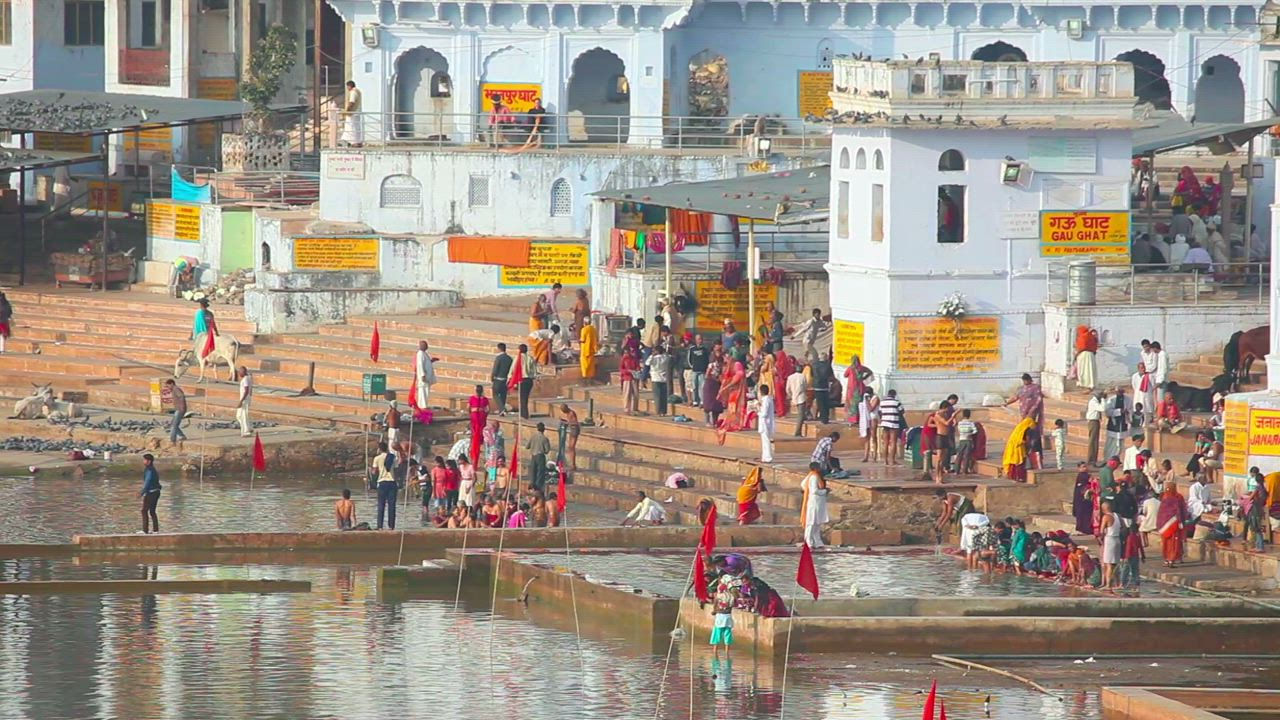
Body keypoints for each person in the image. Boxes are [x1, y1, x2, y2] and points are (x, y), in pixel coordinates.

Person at [715, 356, 748, 442]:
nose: (725, 361)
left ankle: (738, 424)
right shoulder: (729, 366)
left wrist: (726, 387)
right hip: (733, 390)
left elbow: (739, 375)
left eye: (726, 358)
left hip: (739, 390)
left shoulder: (737, 364)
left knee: (737, 407)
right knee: (732, 407)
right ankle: (733, 423)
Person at [1156, 481, 1187, 567]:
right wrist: (1181, 521)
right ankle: (1170, 559)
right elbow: (1180, 511)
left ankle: (1169, 559)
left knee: (1169, 543)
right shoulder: (1175, 499)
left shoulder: (1165, 498)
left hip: (1166, 526)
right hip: (1173, 525)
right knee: (1173, 543)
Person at [800, 461, 829, 548]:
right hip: (814, 502)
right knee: (811, 522)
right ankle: (808, 541)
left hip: (819, 502)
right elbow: (814, 491)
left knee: (817, 523)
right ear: (815, 468)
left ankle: (818, 542)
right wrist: (825, 491)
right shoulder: (813, 477)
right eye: (819, 467)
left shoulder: (814, 476)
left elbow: (803, 485)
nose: (820, 468)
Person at [371, 442, 398, 529]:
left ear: (379, 449)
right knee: (392, 506)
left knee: (381, 505)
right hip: (392, 482)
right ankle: (391, 526)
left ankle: (380, 526)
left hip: (382, 482)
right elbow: (397, 468)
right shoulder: (392, 457)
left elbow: (374, 472)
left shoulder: (377, 458)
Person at [1003, 416, 1036, 482]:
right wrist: (1028, 448)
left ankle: (1013, 476)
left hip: (1012, 447)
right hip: (1018, 448)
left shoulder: (1019, 428)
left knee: (1014, 461)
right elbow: (1026, 441)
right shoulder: (1026, 430)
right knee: (1020, 462)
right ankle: (1020, 477)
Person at [525, 422, 552, 492]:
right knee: (540, 472)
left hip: (533, 456)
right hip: (540, 456)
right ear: (544, 429)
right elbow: (547, 450)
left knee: (533, 471)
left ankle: (532, 485)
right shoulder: (544, 439)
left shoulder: (533, 437)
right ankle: (538, 487)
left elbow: (527, 446)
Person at [878, 389, 903, 466]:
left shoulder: (882, 402)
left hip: (885, 423)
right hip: (893, 423)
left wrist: (883, 418)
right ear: (894, 395)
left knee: (886, 442)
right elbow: (902, 411)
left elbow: (879, 412)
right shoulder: (896, 402)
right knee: (893, 442)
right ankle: (892, 460)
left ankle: (885, 461)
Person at [1099, 500, 1120, 590]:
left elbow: (1101, 531)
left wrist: (1100, 541)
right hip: (1117, 539)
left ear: (1104, 509)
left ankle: (1108, 585)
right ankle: (1117, 583)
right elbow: (1122, 528)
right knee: (1115, 563)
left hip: (1109, 540)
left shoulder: (1106, 517)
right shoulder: (1118, 516)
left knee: (1108, 564)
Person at [139, 453, 162, 534]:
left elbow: (147, 482)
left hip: (151, 493)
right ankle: (156, 530)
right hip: (156, 492)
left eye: (145, 460)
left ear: (149, 461)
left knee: (144, 511)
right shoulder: (152, 469)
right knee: (152, 511)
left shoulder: (149, 470)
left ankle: (145, 530)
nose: (143, 461)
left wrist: (141, 492)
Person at [648, 344, 673, 415]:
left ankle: (658, 411)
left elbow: (647, 363)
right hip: (663, 378)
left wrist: (652, 355)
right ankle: (664, 411)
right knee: (664, 396)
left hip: (655, 379)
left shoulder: (654, 358)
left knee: (657, 396)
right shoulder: (665, 358)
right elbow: (669, 356)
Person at [467, 385, 489, 465]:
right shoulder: (485, 399)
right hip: (480, 417)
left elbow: (468, 408)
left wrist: (472, 412)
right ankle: (479, 440)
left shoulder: (472, 398)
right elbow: (487, 409)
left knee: (475, 431)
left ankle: (475, 441)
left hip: (475, 417)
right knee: (479, 431)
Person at [787, 359, 810, 437]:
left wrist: (791, 395)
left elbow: (787, 389)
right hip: (801, 397)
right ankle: (798, 432)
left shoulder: (790, 377)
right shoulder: (802, 376)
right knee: (800, 415)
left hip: (794, 397)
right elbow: (805, 386)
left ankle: (799, 430)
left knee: (801, 414)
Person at [1071, 462, 1094, 535]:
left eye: (1086, 466)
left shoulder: (1087, 475)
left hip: (1086, 499)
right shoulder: (1082, 476)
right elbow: (1082, 487)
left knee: (1086, 514)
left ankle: (1086, 529)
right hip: (1081, 498)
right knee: (1081, 514)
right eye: (1083, 467)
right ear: (1079, 468)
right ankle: (1082, 529)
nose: (1085, 468)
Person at [490, 343, 512, 416]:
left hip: (498, 379)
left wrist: (492, 377)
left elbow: (495, 369)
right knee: (503, 395)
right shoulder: (509, 358)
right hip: (506, 380)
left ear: (499, 349)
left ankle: (502, 409)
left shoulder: (498, 358)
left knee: (495, 394)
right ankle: (502, 410)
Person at [859, 389, 881, 462]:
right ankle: (866, 456)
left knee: (873, 436)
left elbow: (871, 409)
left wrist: (867, 401)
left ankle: (874, 457)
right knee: (866, 438)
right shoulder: (867, 399)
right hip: (867, 419)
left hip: (873, 418)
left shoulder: (876, 398)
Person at [1085, 390, 1106, 466]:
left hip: (1095, 421)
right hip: (1093, 422)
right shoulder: (1094, 402)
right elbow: (1102, 408)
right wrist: (1103, 399)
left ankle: (1093, 460)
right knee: (1092, 441)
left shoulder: (1095, 401)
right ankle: (1091, 460)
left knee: (1095, 441)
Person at [516, 343, 537, 419]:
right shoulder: (530, 358)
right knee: (525, 397)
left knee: (522, 398)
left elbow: (513, 369)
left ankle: (524, 414)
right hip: (529, 380)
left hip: (522, 380)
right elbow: (534, 371)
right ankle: (524, 413)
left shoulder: (518, 358)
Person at [340, 80, 363, 147]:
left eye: (347, 87)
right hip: (357, 112)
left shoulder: (353, 92)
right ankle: (358, 141)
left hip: (352, 112)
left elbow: (351, 102)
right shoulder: (358, 91)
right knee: (356, 127)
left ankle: (353, 142)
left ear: (349, 86)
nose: (347, 89)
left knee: (351, 127)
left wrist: (347, 110)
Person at [415, 340, 437, 410]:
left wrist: (432, 361)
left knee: (426, 392)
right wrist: (422, 375)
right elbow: (420, 365)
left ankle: (424, 406)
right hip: (423, 377)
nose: (426, 347)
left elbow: (426, 363)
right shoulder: (420, 354)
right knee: (422, 392)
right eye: (425, 345)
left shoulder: (424, 353)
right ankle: (422, 407)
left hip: (427, 376)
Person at [559, 404, 580, 472]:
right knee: (570, 447)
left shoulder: (571, 413)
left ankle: (573, 465)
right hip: (572, 429)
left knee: (572, 447)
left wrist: (566, 422)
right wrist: (564, 421)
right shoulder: (568, 413)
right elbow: (569, 422)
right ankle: (572, 464)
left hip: (575, 429)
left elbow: (575, 422)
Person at [165, 379, 187, 446]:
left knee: (174, 425)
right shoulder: (174, 390)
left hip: (180, 410)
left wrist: (182, 408)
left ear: (171, 384)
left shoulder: (176, 389)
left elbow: (182, 397)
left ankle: (172, 440)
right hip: (178, 409)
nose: (167, 387)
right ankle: (182, 436)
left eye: (168, 385)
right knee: (173, 424)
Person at [757, 385, 776, 463]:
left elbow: (764, 413)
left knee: (766, 441)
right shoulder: (768, 399)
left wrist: (757, 410)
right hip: (766, 423)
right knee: (764, 441)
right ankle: (764, 457)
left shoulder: (766, 400)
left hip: (765, 423)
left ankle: (768, 457)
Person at [619, 348, 640, 415]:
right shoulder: (623, 359)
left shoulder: (634, 358)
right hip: (627, 378)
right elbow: (621, 369)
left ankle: (635, 408)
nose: (626, 354)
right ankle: (626, 408)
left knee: (636, 394)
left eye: (627, 352)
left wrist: (637, 370)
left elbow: (638, 366)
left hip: (634, 378)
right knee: (627, 394)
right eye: (625, 353)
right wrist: (628, 371)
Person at [234, 366, 253, 437]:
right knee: (238, 415)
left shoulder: (245, 379)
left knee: (243, 415)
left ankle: (246, 431)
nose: (239, 374)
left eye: (239, 372)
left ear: (243, 372)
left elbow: (246, 390)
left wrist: (241, 401)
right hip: (246, 398)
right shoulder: (248, 378)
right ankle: (249, 427)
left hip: (244, 399)